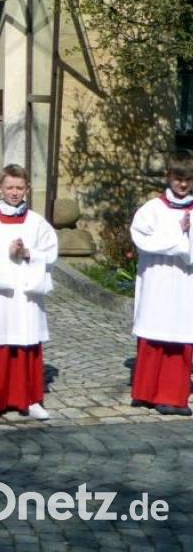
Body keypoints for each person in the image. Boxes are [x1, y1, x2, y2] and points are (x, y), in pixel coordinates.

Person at [0, 164, 57, 421]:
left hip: (25, 297)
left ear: (26, 189)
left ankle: (30, 398)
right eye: (9, 187)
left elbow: (50, 253)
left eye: (19, 187)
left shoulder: (37, 223)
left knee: (26, 342)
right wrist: (6, 254)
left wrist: (28, 253)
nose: (14, 192)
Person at [129, 150, 193, 416]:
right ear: (168, 176)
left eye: (188, 179)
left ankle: (172, 396)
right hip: (156, 280)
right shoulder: (151, 209)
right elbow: (142, 240)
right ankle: (145, 392)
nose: (183, 184)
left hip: (184, 283)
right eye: (178, 178)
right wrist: (178, 235)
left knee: (179, 335)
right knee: (154, 332)